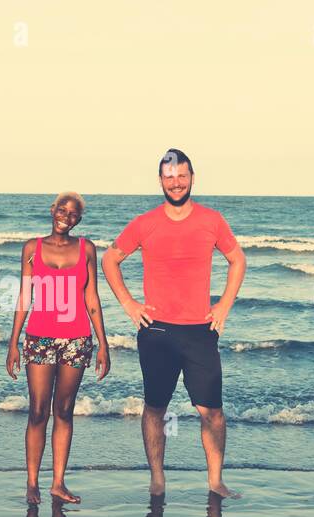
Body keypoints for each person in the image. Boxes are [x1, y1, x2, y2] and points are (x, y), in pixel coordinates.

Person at [102, 149, 246, 498]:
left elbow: (237, 259)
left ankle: (215, 481)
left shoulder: (212, 220)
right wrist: (129, 303)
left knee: (211, 411)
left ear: (192, 177)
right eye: (169, 176)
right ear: (161, 180)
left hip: (200, 331)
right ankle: (157, 478)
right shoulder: (145, 222)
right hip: (157, 332)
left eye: (182, 176)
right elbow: (109, 259)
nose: (176, 182)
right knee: (155, 407)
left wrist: (224, 304)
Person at [5, 191, 111, 504]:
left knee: (63, 410)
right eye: (62, 209)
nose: (66, 215)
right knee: (38, 411)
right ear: (52, 210)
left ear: (79, 218)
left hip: (77, 339)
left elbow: (92, 298)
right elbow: (25, 297)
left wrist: (103, 344)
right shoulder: (32, 248)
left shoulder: (87, 248)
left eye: (74, 212)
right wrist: (13, 342)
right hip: (39, 337)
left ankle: (59, 483)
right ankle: (33, 483)